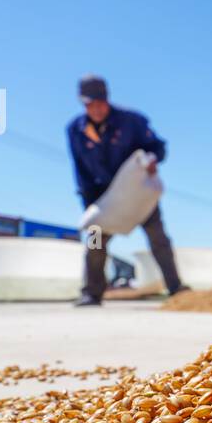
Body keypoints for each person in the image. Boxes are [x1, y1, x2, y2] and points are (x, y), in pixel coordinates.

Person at [67, 74, 182, 306]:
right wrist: (89, 204)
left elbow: (158, 147)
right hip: (105, 199)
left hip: (138, 194)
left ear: (107, 99)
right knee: (96, 241)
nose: (96, 109)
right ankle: (92, 292)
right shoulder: (75, 130)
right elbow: (80, 169)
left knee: (158, 238)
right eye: (90, 105)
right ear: (83, 104)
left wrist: (152, 159)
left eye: (100, 103)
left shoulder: (132, 121)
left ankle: (177, 290)